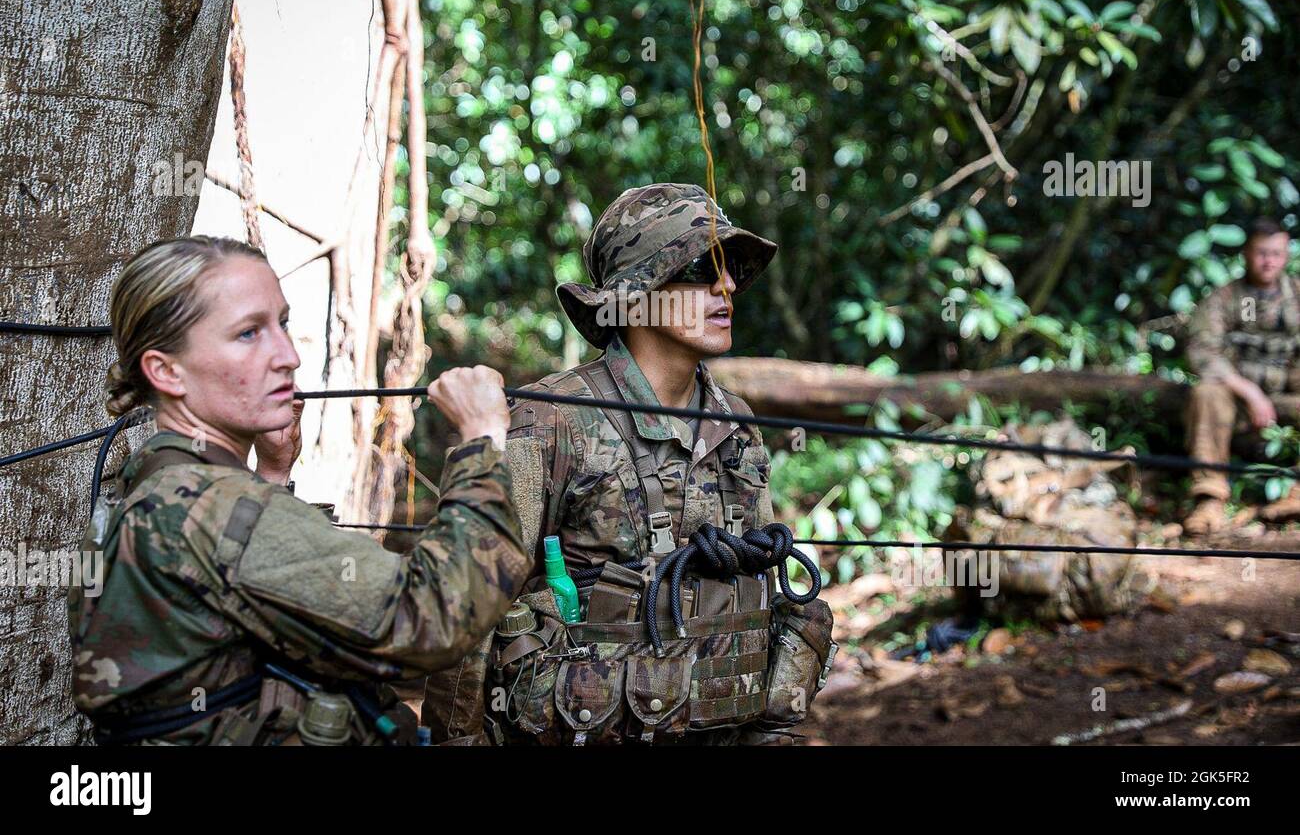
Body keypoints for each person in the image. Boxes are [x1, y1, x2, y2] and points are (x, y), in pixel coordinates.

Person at [68, 236, 530, 745]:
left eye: (281, 324)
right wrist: (482, 439)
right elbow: (434, 615)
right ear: (166, 371)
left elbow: (231, 623)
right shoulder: (214, 507)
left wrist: (269, 477)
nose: (287, 356)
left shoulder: (154, 482)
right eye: (248, 334)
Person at [422, 183, 836, 745]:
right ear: (638, 294)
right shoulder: (549, 421)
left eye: (731, 266)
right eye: (699, 268)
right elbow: (469, 605)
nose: (728, 286)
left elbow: (757, 595)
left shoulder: (735, 423)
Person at [1184, 217, 1300, 535]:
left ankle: (1296, 495)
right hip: (1236, 400)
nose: (1268, 261)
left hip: (1289, 397)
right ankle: (1209, 500)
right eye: (1261, 252)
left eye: (1276, 253)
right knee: (1205, 392)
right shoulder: (1225, 298)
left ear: (1286, 255)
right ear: (1247, 254)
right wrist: (1249, 391)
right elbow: (1201, 352)